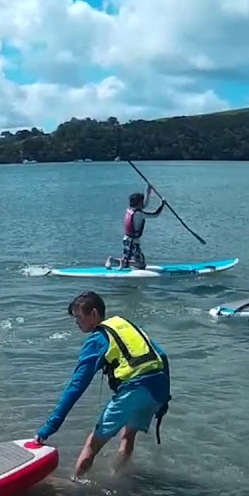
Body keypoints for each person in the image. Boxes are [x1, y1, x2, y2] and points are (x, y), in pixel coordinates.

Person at [30, 291, 172, 481]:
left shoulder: (97, 339)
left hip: (135, 387)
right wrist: (164, 400)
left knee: (93, 444)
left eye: (80, 317)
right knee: (128, 434)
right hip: (158, 386)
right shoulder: (123, 323)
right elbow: (161, 355)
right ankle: (118, 476)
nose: (77, 323)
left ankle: (76, 483)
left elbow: (76, 385)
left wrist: (48, 428)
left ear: (94, 314)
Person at [106, 186, 166, 270]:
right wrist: (162, 205)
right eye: (141, 202)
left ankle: (113, 260)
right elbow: (155, 214)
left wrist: (148, 192)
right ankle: (120, 262)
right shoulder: (139, 214)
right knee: (141, 264)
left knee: (135, 261)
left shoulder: (130, 210)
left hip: (127, 240)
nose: (143, 204)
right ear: (139, 203)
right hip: (132, 242)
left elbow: (144, 205)